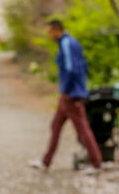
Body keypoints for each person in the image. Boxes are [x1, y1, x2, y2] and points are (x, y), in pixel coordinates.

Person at [31, 19, 103, 173]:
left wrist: (70, 91)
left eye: (50, 31)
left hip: (71, 96)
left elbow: (72, 70)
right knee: (55, 126)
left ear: (58, 30)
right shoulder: (67, 43)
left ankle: (96, 164)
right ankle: (46, 162)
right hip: (67, 96)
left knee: (83, 130)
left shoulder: (67, 44)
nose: (49, 35)